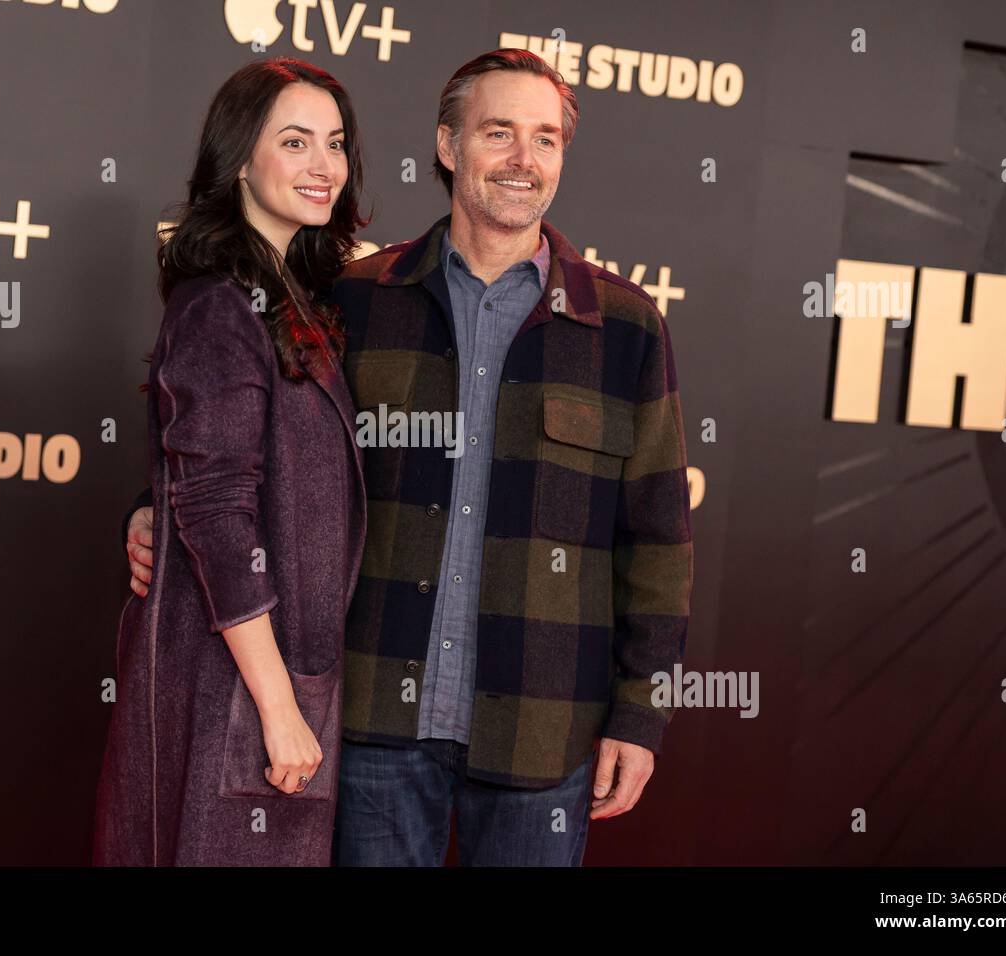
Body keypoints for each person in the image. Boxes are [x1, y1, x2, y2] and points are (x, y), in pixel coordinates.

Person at [123, 48, 693, 866]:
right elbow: (246, 439)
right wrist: (151, 511)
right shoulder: (354, 299)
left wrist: (642, 718)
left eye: (546, 139)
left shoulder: (627, 327)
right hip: (371, 727)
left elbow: (661, 543)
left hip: (544, 731)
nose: (523, 161)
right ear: (449, 145)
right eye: (498, 132)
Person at [93, 57, 370, 866]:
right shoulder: (221, 304)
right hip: (232, 687)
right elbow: (217, 513)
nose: (323, 166)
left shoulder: (292, 298)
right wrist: (281, 707)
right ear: (241, 158)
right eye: (295, 142)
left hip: (269, 684)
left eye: (336, 143)